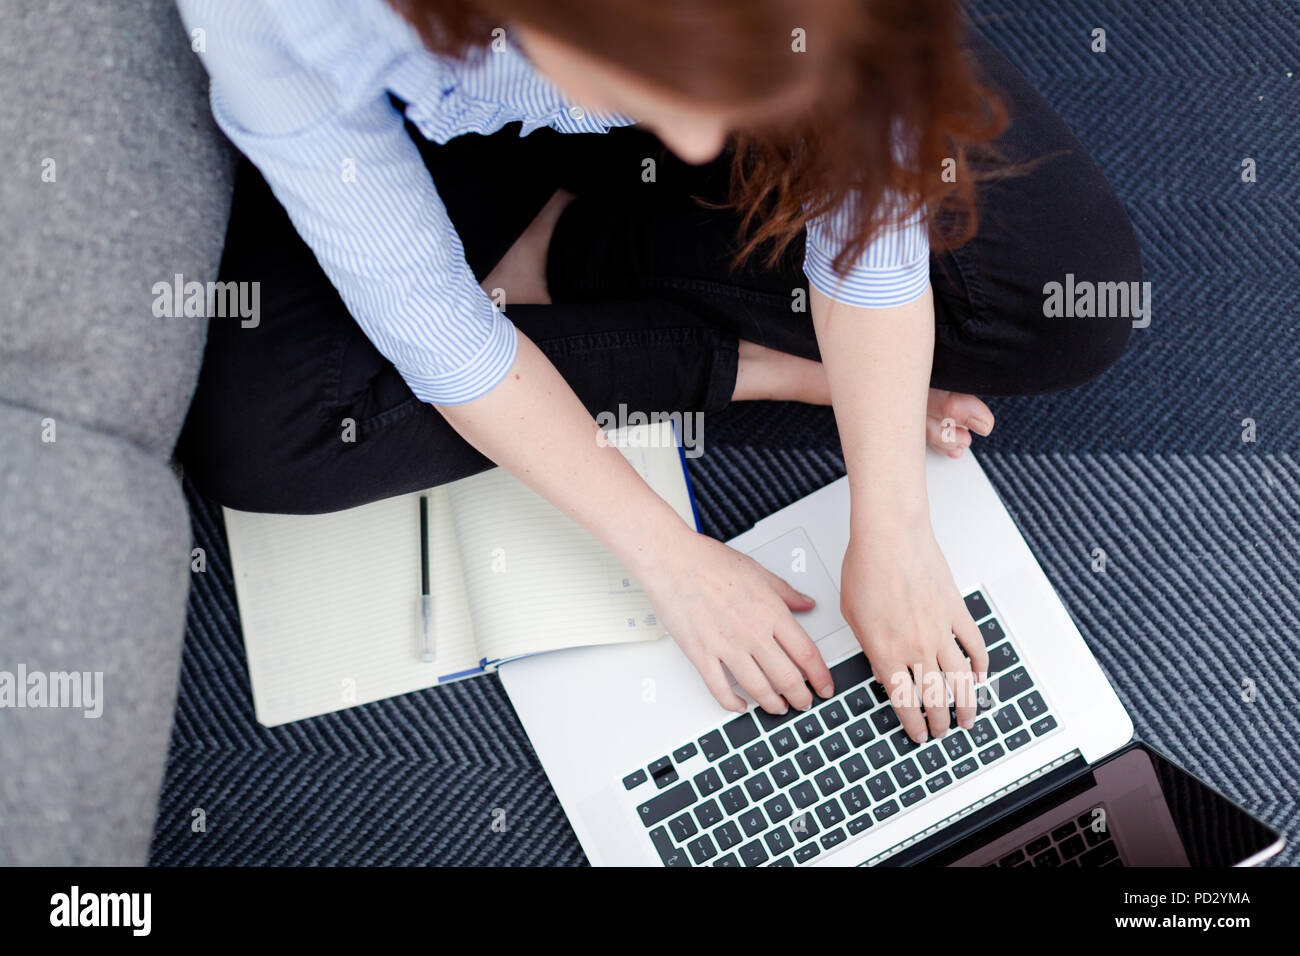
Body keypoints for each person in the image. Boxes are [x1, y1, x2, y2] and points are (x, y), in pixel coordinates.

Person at [175, 0, 1140, 743]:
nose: (693, 141)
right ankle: (756, 357)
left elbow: (867, 211)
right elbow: (439, 331)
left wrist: (891, 528)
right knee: (260, 435)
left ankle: (574, 253)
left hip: (734, 60)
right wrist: (671, 560)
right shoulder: (291, 17)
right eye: (670, 99)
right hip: (433, 139)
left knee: (1069, 299)